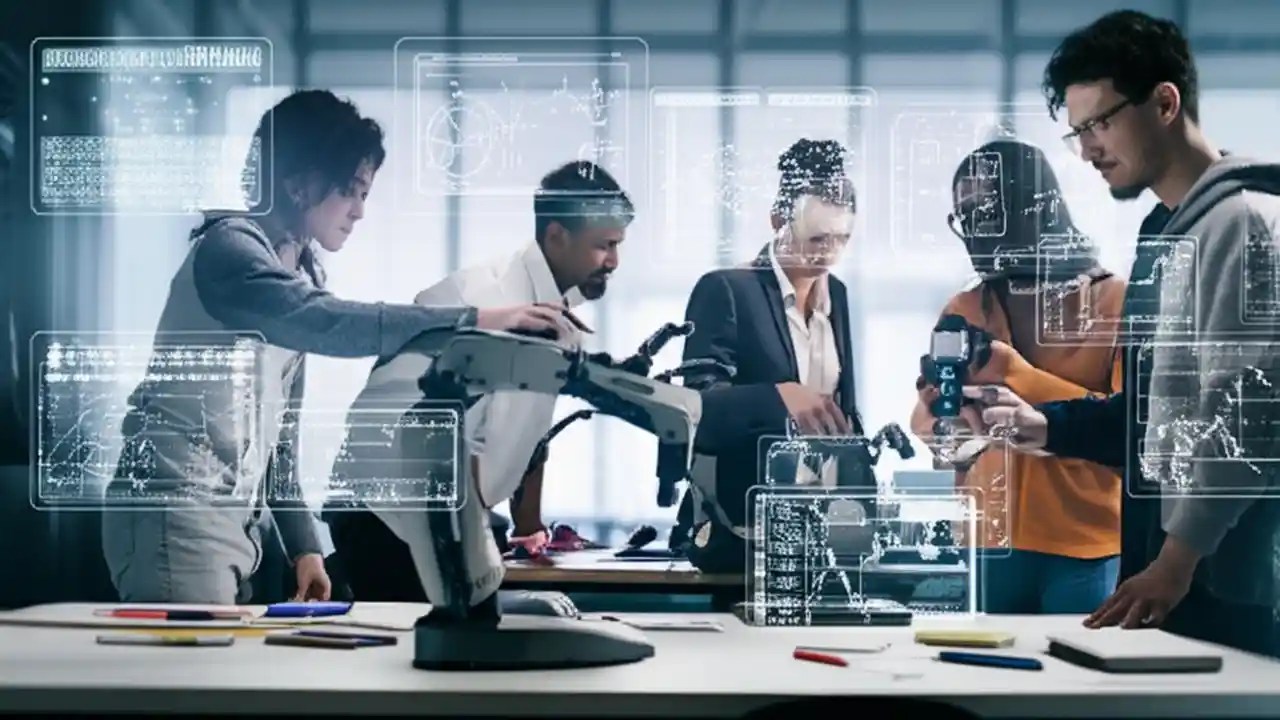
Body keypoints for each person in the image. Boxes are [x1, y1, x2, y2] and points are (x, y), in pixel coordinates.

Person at [100, 90, 570, 605]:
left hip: (231, 528)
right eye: (351, 190)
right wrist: (477, 319)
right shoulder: (230, 249)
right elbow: (327, 321)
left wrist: (305, 549)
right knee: (188, 684)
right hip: (175, 512)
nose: (360, 211)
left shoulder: (297, 269)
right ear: (300, 181)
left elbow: (278, 443)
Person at [974, 9, 1280, 657]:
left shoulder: (1244, 221)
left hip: (1231, 580)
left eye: (1099, 122)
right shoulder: (1164, 234)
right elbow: (1155, 416)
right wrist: (1047, 427)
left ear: (1165, 103)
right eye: (1076, 132)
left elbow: (1250, 420)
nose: (1086, 150)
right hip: (1174, 573)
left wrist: (1176, 561)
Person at [326, 160, 633, 601]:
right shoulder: (493, 299)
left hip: (422, 500)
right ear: (556, 236)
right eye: (604, 246)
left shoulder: (546, 305)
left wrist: (529, 528)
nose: (614, 261)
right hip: (385, 509)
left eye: (618, 245)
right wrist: (475, 546)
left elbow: (531, 432)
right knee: (432, 651)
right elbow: (456, 434)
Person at [909, 139, 1127, 614]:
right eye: (962, 217)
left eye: (984, 212)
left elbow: (1128, 435)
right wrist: (946, 426)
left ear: (1034, 208)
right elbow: (932, 436)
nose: (972, 231)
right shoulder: (964, 309)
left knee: (1076, 683)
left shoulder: (1117, 304)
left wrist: (1015, 374)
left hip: (1085, 549)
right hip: (985, 545)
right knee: (978, 685)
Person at [673, 138, 864, 572]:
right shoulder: (726, 289)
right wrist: (781, 398)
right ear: (779, 219)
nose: (828, 254)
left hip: (820, 531)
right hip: (740, 530)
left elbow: (839, 406)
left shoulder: (838, 295)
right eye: (816, 238)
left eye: (842, 239)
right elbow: (695, 409)